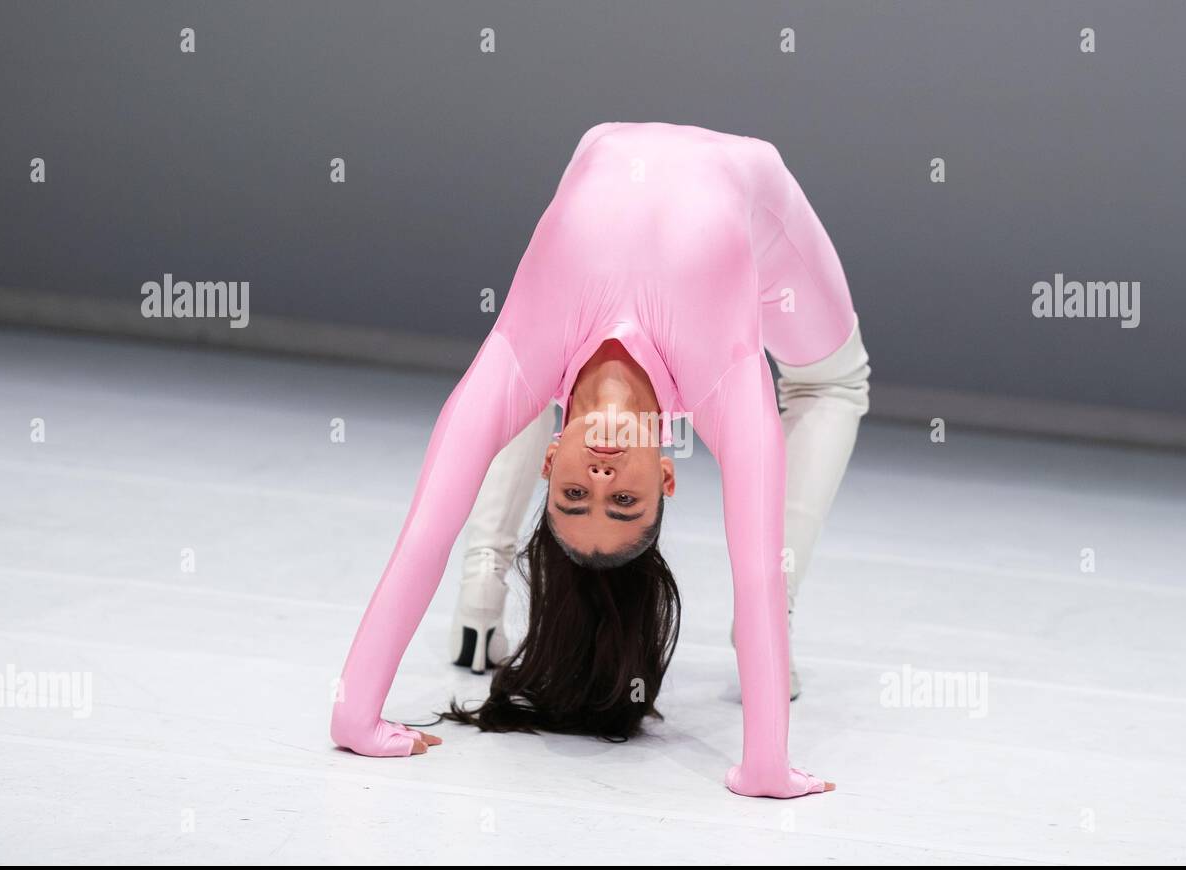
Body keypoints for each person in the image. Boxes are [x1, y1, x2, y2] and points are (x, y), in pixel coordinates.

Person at [331, 121, 868, 797]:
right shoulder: (724, 380)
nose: (601, 477)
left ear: (552, 463)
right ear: (668, 475)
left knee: (526, 382)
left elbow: (425, 531)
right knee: (833, 381)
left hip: (601, 148)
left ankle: (481, 587)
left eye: (575, 496)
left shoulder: (523, 357)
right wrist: (764, 763)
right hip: (760, 205)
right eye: (624, 501)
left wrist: (357, 715)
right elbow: (755, 567)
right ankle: (771, 633)